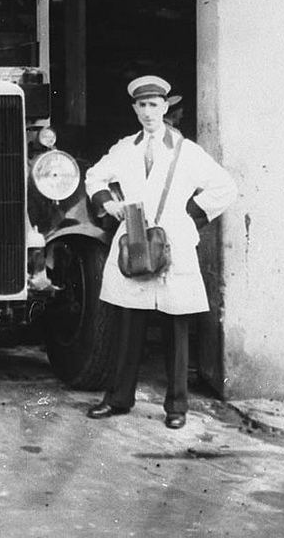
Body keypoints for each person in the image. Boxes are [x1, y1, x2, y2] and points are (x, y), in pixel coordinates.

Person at [84, 75, 237, 429]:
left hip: (174, 244)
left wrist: (190, 215)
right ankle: (119, 398)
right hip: (136, 239)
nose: (149, 112)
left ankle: (177, 407)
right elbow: (94, 177)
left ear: (166, 107)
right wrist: (110, 204)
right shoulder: (125, 148)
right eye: (142, 105)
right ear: (134, 109)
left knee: (176, 325)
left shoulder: (186, 151)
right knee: (128, 324)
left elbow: (225, 186)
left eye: (155, 105)